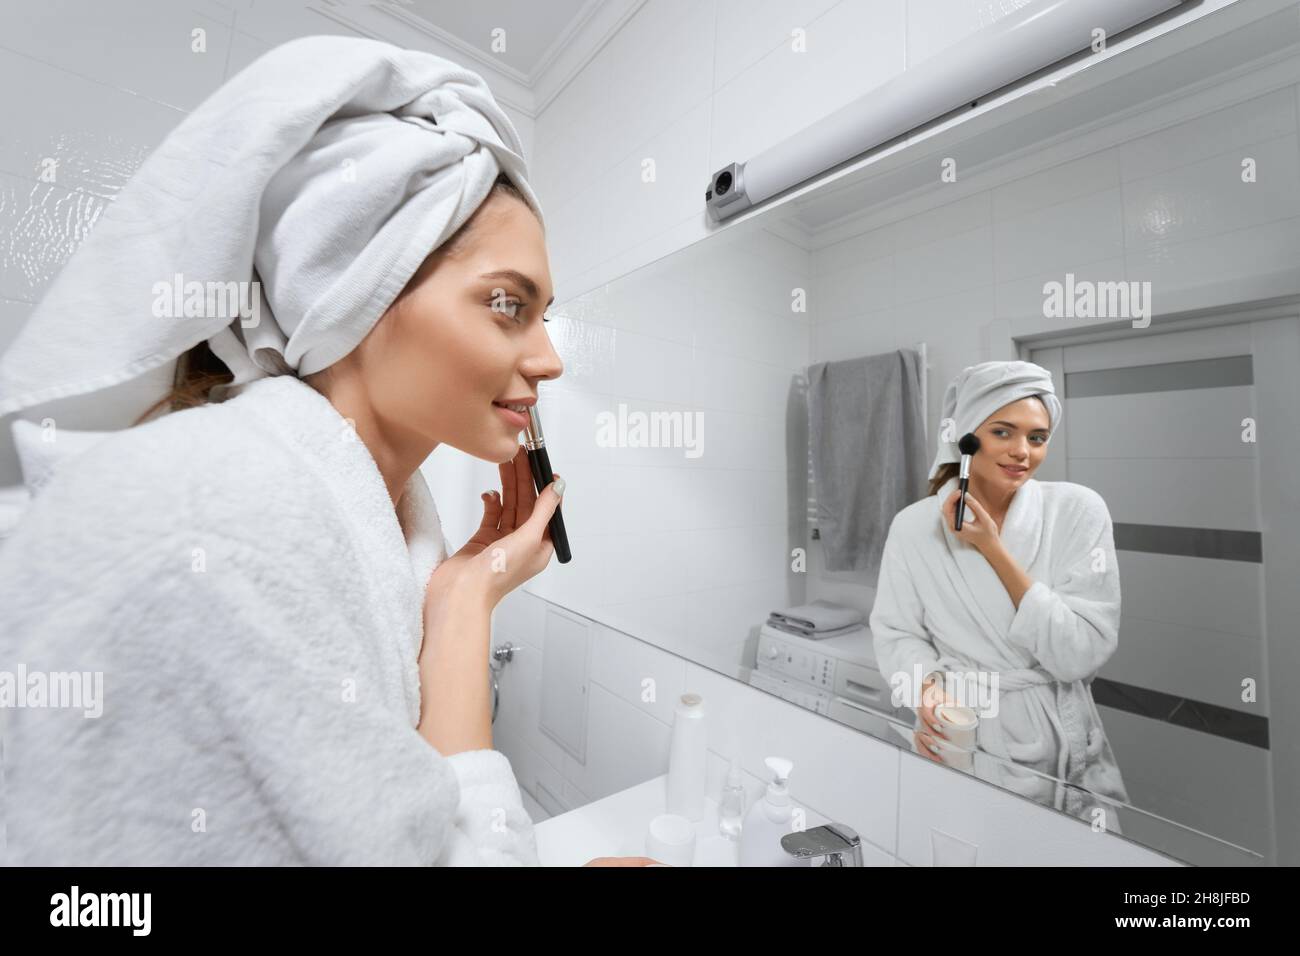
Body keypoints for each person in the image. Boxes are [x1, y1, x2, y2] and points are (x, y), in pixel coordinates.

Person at [0, 36, 654, 866]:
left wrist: (464, 598)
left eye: (544, 316)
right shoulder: (217, 524)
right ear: (362, 289)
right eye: (506, 306)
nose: (551, 360)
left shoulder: (392, 524)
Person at [869, 361, 1129, 829]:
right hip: (961, 729)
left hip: (1059, 740)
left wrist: (991, 548)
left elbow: (1081, 653)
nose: (1022, 452)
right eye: (1003, 432)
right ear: (967, 436)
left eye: (1037, 437)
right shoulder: (913, 526)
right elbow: (896, 633)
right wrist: (927, 695)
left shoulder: (1078, 511)